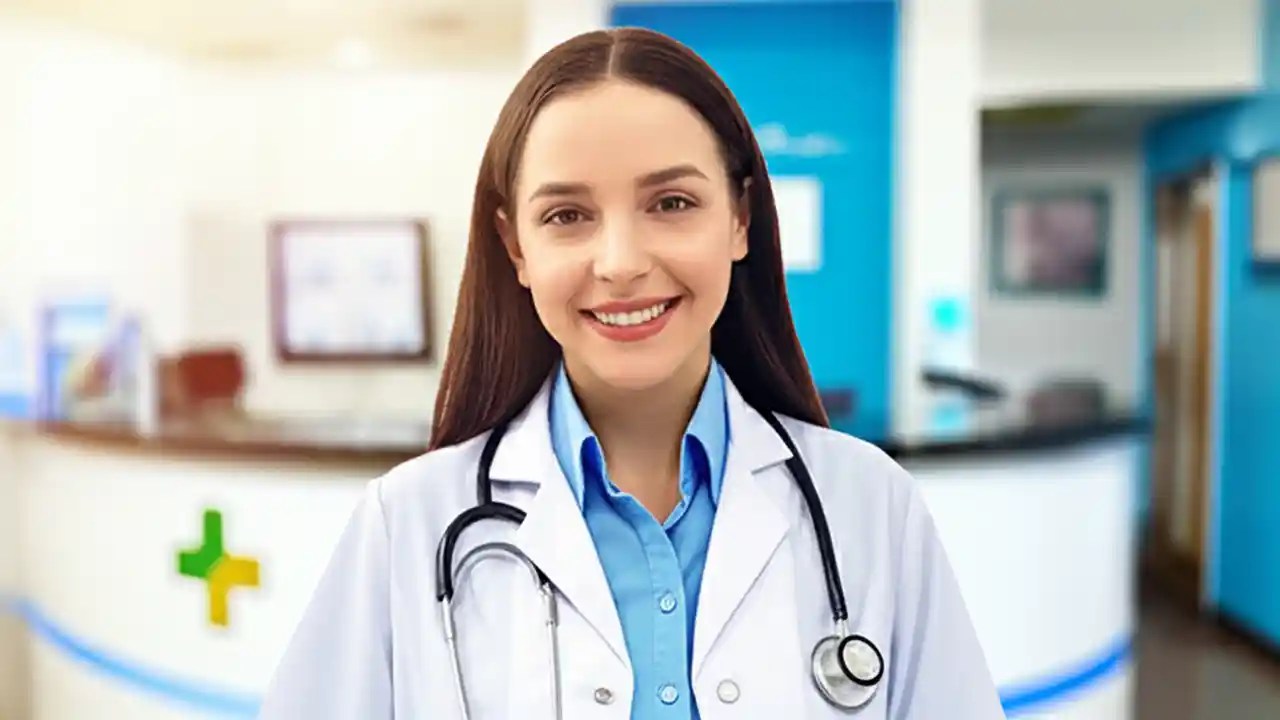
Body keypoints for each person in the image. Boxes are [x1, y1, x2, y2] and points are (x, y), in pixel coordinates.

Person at [257, 27, 1004, 720]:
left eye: (671, 202)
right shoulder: (409, 524)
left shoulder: (870, 508)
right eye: (566, 217)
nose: (620, 262)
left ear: (740, 219)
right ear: (514, 248)